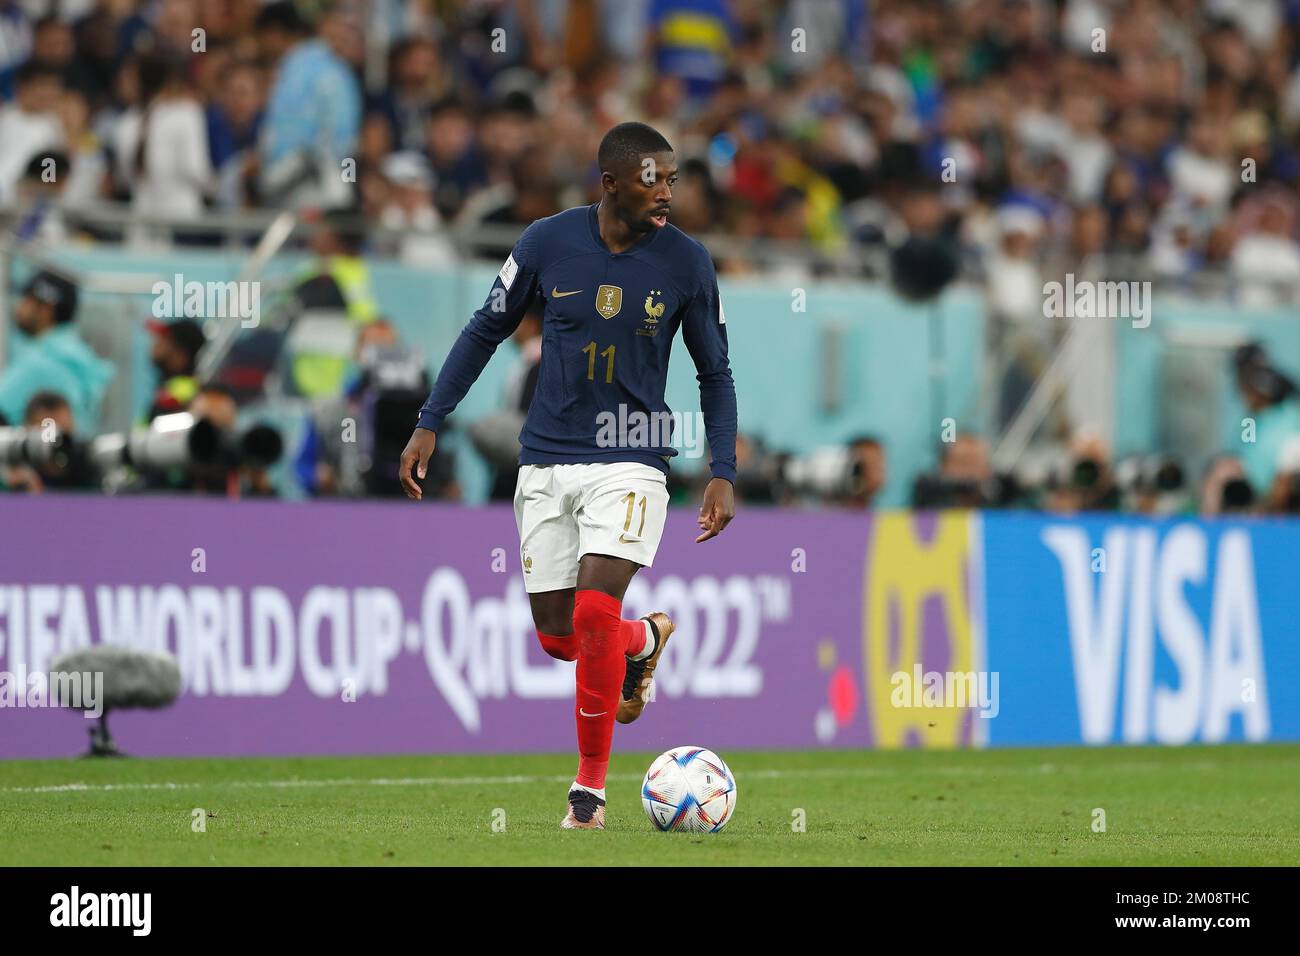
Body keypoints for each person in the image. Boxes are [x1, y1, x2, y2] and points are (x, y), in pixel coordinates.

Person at [399, 122, 738, 830]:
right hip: (547, 459)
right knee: (560, 639)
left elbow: (715, 371)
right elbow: (485, 328)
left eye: (673, 180)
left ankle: (588, 794)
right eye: (654, 180)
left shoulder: (687, 263)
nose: (668, 193)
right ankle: (644, 641)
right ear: (611, 182)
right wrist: (432, 416)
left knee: (591, 613)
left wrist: (722, 468)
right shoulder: (546, 243)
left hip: (635, 459)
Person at [0, 270, 113, 432]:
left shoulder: (44, 360)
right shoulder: (79, 357)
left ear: (46, 309)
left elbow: (2, 404)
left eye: (27, 300)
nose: (19, 308)